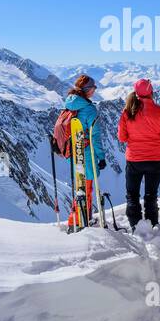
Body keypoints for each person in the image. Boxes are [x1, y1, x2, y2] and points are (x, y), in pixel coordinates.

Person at [117, 78, 160, 228]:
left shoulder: (127, 111)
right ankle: (152, 225)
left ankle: (136, 226)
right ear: (151, 92)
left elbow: (121, 137)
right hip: (155, 159)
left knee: (132, 195)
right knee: (151, 196)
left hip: (134, 160)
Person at [63, 74, 106, 228]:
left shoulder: (69, 103)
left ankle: (82, 218)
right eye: (93, 87)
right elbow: (95, 136)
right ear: (87, 90)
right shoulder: (89, 109)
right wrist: (101, 157)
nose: (94, 90)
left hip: (73, 152)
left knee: (80, 187)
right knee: (86, 188)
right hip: (86, 153)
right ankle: (78, 220)